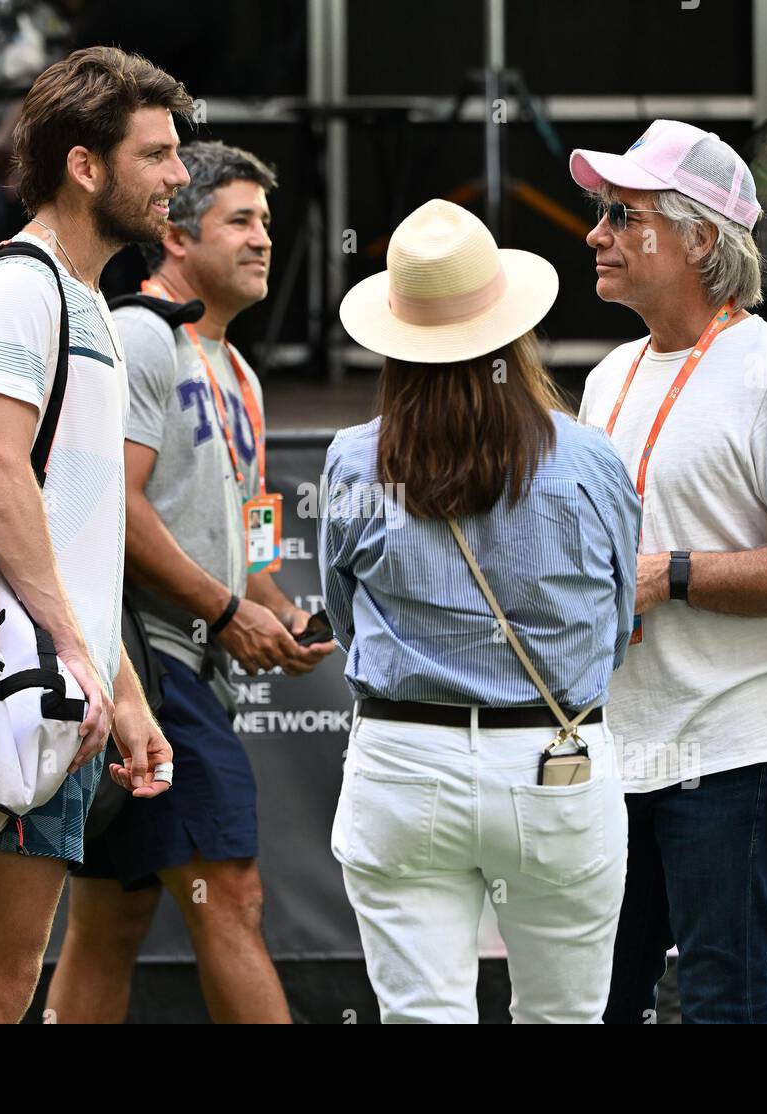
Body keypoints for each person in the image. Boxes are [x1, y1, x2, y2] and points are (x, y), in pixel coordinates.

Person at [0, 47, 190, 1024]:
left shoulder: (80, 303)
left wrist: (117, 683)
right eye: (155, 154)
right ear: (84, 165)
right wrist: (75, 654)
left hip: (25, 682)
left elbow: (67, 525)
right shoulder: (17, 286)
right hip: (15, 691)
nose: (178, 177)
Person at [569, 120, 767, 1023]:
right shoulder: (609, 374)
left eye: (624, 214)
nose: (596, 233)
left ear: (700, 238)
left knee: (723, 1003)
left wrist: (672, 575)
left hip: (735, 750)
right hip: (622, 749)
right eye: (600, 213)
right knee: (596, 1002)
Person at [319, 198, 643, 1024]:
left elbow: (344, 614)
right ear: (512, 329)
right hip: (553, 760)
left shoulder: (356, 460)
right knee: (564, 1017)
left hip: (401, 757)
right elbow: (616, 626)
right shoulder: (591, 460)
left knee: (422, 1016)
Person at [48, 141, 336, 1025]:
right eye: (240, 220)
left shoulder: (239, 369)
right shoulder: (139, 335)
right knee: (232, 892)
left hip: (178, 667)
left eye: (267, 223)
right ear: (174, 232)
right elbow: (114, 508)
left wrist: (282, 612)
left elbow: (249, 535)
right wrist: (223, 610)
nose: (263, 241)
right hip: (151, 667)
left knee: (114, 912)